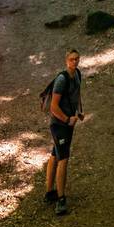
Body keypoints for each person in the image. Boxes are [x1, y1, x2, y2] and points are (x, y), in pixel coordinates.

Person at [45, 48, 84, 216]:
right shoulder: (61, 79)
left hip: (67, 124)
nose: (74, 62)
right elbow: (53, 107)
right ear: (66, 60)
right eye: (71, 59)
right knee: (64, 160)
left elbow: (77, 94)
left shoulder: (77, 74)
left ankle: (49, 192)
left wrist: (79, 111)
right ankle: (61, 200)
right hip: (59, 125)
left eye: (77, 59)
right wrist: (67, 120)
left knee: (55, 155)